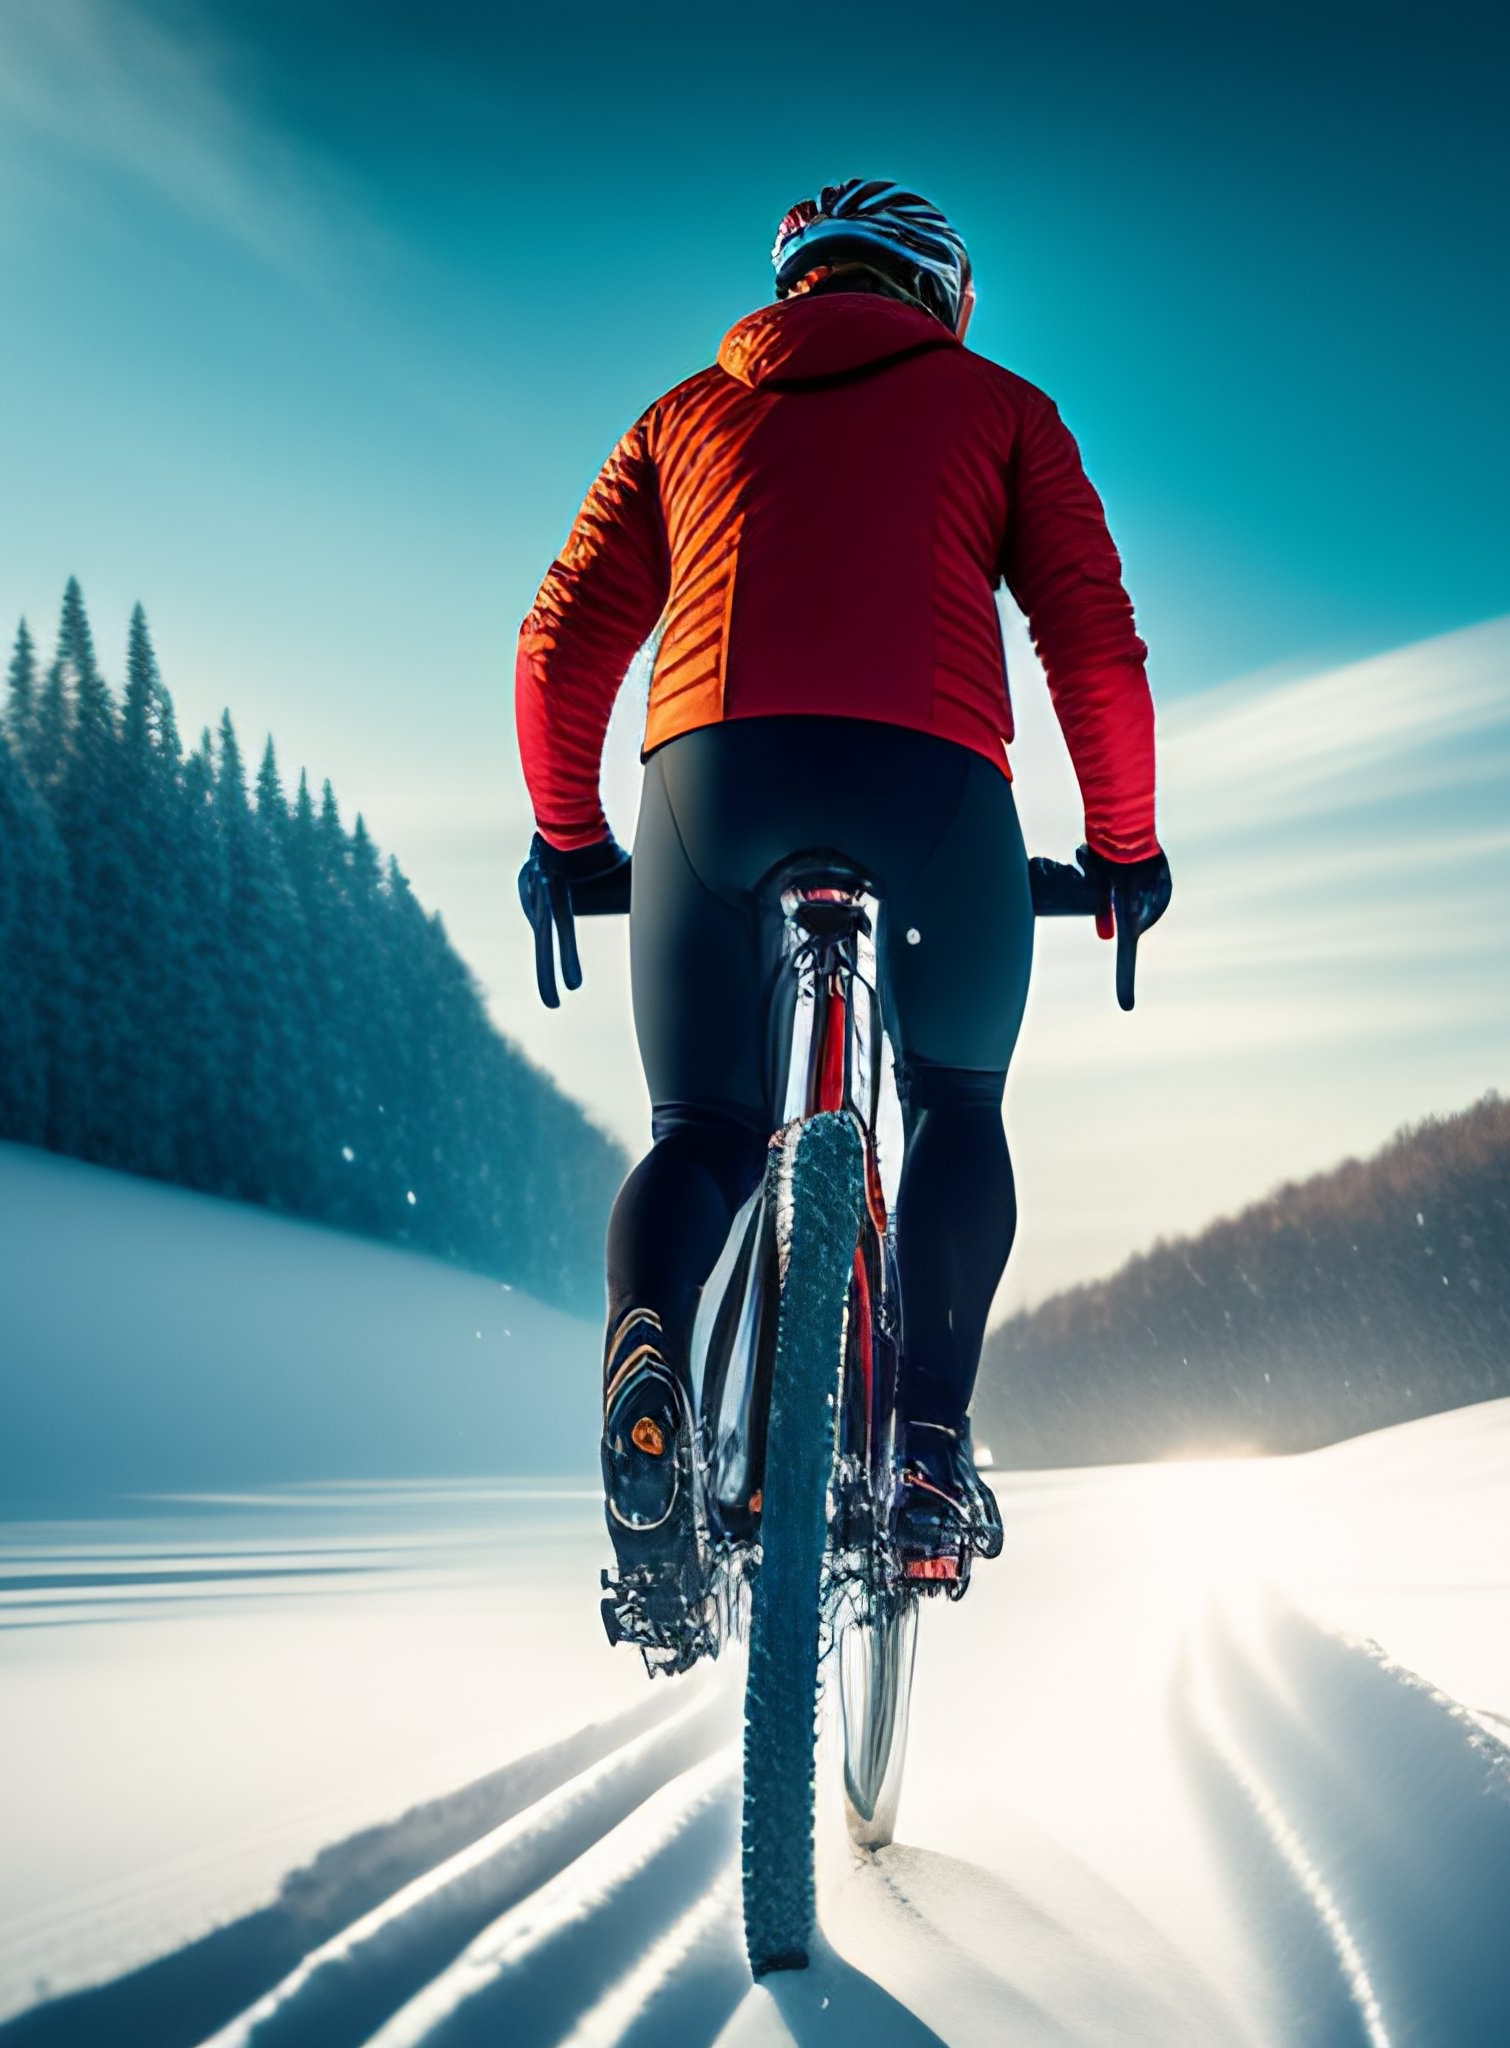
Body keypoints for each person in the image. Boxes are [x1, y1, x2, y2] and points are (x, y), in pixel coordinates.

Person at [512, 180, 1172, 1631]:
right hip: (933, 790)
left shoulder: (682, 416)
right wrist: (1122, 847)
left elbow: (559, 646)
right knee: (955, 1102)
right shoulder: (1005, 409)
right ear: (940, 294)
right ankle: (928, 1449)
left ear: (796, 283)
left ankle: (649, 1366)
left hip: (710, 785)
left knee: (701, 1131)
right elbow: (1094, 647)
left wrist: (570, 838)